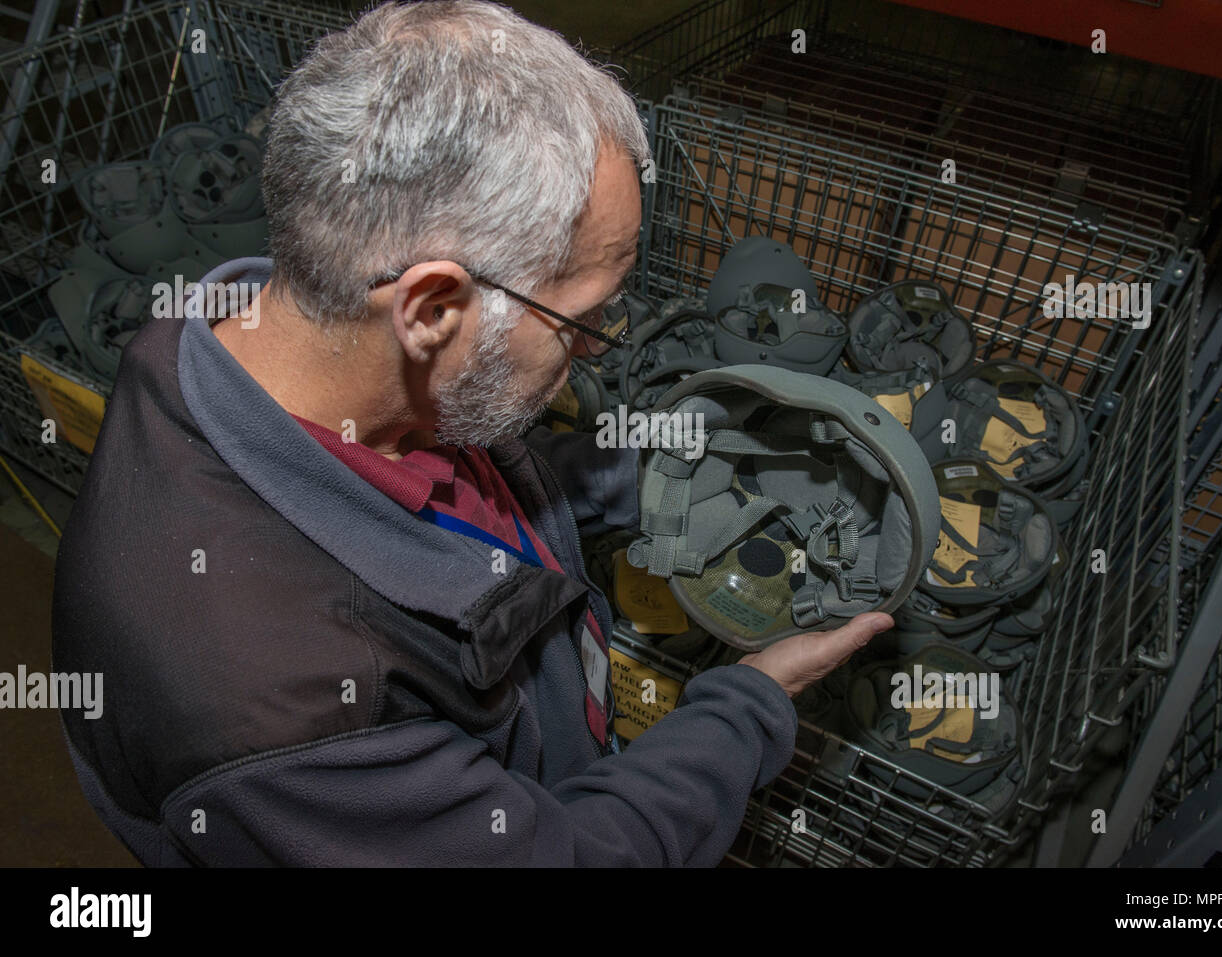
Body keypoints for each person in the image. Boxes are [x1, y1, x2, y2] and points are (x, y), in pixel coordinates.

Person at [51, 0, 892, 866]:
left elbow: (459, 478)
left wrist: (654, 471)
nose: (598, 348)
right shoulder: (292, 719)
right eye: (582, 320)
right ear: (433, 309)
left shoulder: (258, 340)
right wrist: (751, 700)